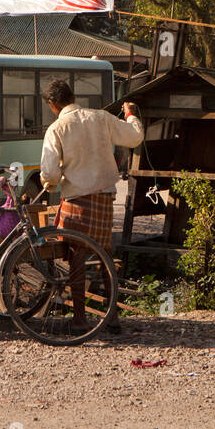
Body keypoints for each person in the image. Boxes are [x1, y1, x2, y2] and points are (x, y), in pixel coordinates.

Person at [40, 78, 143, 334]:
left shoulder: (57, 128)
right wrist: (130, 114)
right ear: (72, 96)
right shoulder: (101, 117)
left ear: (52, 104)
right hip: (104, 198)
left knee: (77, 257)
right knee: (105, 255)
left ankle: (79, 319)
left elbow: (50, 174)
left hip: (76, 199)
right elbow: (134, 137)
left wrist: (49, 185)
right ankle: (113, 317)